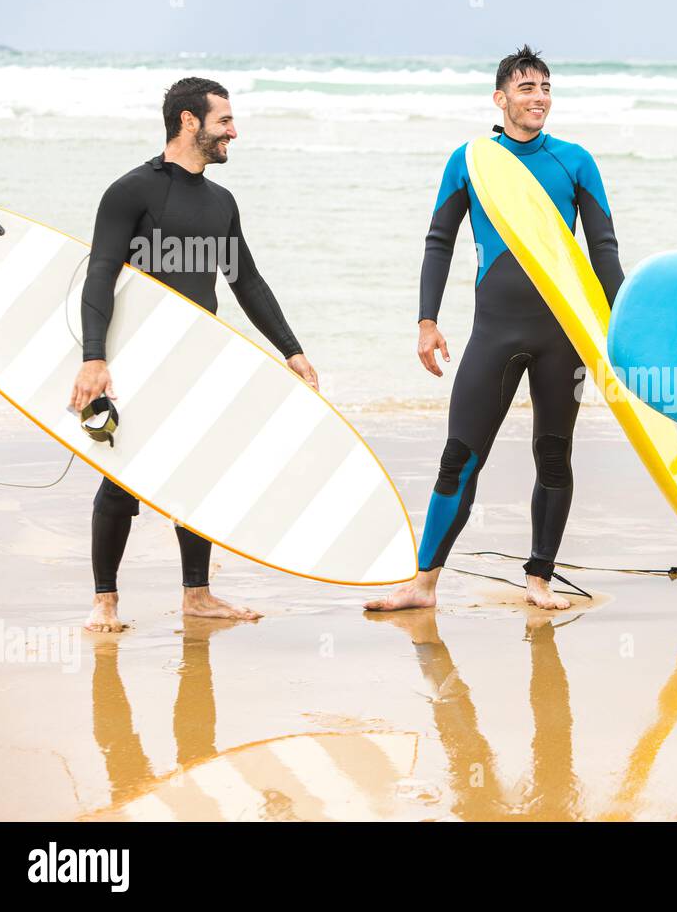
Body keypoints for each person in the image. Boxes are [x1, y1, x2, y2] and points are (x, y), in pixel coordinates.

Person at [367, 45, 624, 613]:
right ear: (500, 98)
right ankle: (423, 585)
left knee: (553, 456)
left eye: (546, 88)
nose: (539, 98)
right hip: (494, 335)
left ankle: (540, 579)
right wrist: (427, 321)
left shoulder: (575, 162)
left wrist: (621, 329)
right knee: (459, 457)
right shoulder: (472, 160)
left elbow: (603, 248)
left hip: (563, 337)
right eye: (527, 88)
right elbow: (439, 241)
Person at [71, 77, 319, 632]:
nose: (234, 131)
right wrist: (93, 357)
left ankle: (197, 595)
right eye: (224, 121)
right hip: (138, 359)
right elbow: (100, 274)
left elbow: (245, 280)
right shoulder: (131, 191)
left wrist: (292, 350)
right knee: (123, 477)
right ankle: (105, 602)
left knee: (198, 473)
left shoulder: (221, 202)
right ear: (189, 122)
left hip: (199, 359)